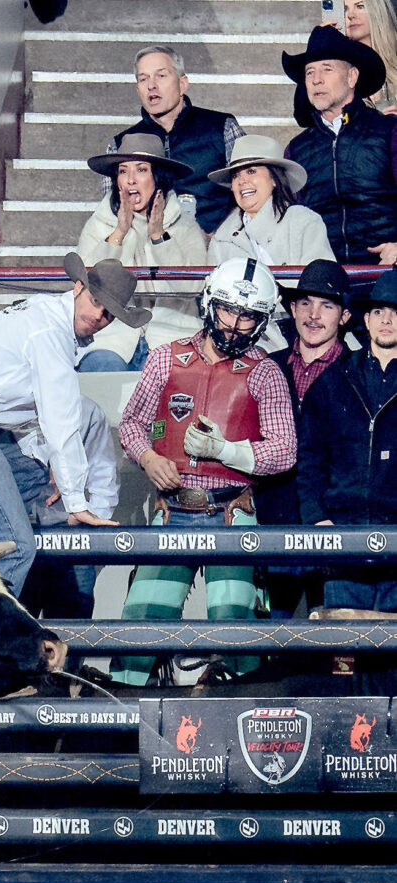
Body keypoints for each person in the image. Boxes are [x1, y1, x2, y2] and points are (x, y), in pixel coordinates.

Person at [0, 253, 146, 597]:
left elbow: (26, 409)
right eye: (96, 302)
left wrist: (58, 474)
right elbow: (60, 420)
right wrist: (77, 501)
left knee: (36, 489)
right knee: (17, 547)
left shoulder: (43, 314)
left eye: (109, 313)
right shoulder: (51, 333)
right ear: (78, 287)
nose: (99, 316)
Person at [113, 260, 297, 686]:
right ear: (209, 304)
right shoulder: (164, 359)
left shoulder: (266, 372)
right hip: (172, 509)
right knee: (141, 622)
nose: (235, 325)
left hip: (231, 510)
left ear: (262, 320)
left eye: (248, 315)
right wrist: (148, 457)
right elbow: (132, 423)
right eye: (229, 310)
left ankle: (244, 729)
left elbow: (285, 450)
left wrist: (227, 451)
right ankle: (120, 730)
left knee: (237, 629)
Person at [297, 268, 397, 613]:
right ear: (366, 319)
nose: (387, 320)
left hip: (396, 540)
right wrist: (316, 518)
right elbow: (310, 458)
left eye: (396, 313)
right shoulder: (332, 382)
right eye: (379, 312)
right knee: (344, 658)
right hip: (342, 540)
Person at [265, 260, 352, 618]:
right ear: (292, 309)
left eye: (327, 305)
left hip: (334, 525)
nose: (314, 315)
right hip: (274, 521)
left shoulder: (359, 374)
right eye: (305, 303)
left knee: (336, 644)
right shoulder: (267, 367)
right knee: (268, 640)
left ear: (344, 317)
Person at [77, 134, 206, 371]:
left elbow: (193, 288)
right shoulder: (99, 225)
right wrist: (118, 234)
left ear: (158, 178)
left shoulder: (186, 227)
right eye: (123, 171)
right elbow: (84, 288)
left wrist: (159, 237)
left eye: (141, 170)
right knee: (99, 371)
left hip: (174, 339)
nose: (130, 180)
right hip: (111, 339)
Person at [283, 25, 397, 265]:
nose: (316, 80)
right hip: (325, 284)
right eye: (309, 72)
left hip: (386, 276)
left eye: (327, 69)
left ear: (352, 76)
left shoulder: (388, 131)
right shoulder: (297, 150)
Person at [106, 45, 245, 236]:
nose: (151, 85)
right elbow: (111, 210)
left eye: (161, 76)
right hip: (149, 251)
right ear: (137, 89)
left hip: (217, 247)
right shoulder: (122, 145)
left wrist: (220, 237)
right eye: (143, 79)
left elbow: (250, 188)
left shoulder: (221, 128)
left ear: (182, 84)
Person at [207, 135, 334, 267]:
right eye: (235, 176)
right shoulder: (221, 239)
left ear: (274, 178)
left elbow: (321, 280)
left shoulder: (304, 221)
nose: (242, 181)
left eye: (251, 171)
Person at [327, 0, 397, 113]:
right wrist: (319, 45)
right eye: (345, 9)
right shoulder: (339, 68)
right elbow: (305, 116)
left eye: (360, 6)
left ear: (377, 11)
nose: (350, 15)